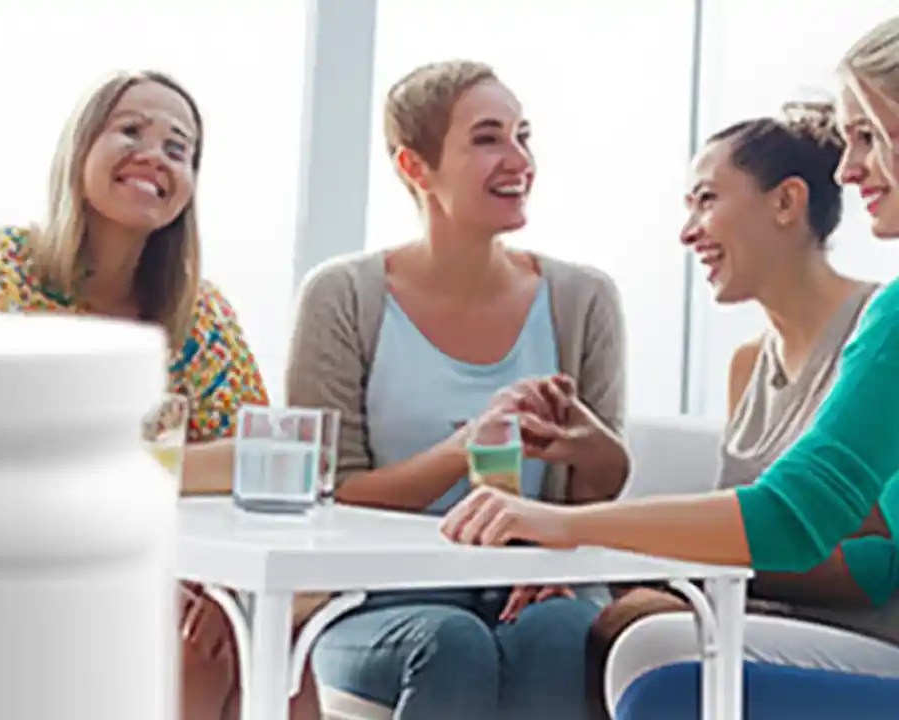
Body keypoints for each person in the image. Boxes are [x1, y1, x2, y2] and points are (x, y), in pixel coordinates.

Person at [440, 16, 899, 719]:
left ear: (787, 203)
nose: (849, 165)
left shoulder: (881, 322)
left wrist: (577, 530)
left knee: (657, 664)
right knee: (629, 639)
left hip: (866, 637)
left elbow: (798, 519)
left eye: (868, 133)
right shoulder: (764, 359)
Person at [0, 70, 320, 720]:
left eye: (178, 148)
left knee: (267, 650)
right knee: (184, 647)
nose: (154, 156)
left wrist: (220, 585)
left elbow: (265, 458)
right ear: (81, 147)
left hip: (153, 563)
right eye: (131, 130)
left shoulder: (200, 315)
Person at [285, 59, 631, 719]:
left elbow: (599, 492)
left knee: (562, 635)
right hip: (377, 599)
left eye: (523, 136)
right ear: (415, 167)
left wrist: (584, 449)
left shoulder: (583, 298)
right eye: (487, 138)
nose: (519, 160)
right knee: (451, 643)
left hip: (536, 585)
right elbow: (328, 493)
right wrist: (464, 448)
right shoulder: (344, 297)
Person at [584, 106, 898, 720]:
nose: (688, 232)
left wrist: (662, 554)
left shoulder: (877, 341)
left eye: (706, 200)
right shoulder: (748, 365)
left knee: (645, 636)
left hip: (870, 631)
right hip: (773, 617)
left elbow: (874, 564)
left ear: (786, 203)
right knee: (595, 621)